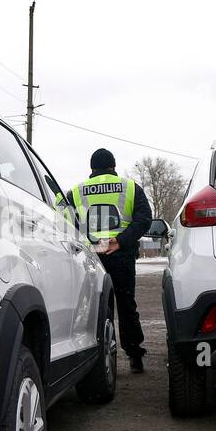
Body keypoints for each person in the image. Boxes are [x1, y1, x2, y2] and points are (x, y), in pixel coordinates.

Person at [69, 148, 152, 373]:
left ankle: (92, 357)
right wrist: (121, 240)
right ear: (113, 167)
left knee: (92, 306)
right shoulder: (130, 187)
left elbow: (64, 222)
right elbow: (144, 219)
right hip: (121, 256)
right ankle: (134, 355)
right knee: (126, 306)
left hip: (90, 257)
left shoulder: (76, 192)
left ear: (92, 169)